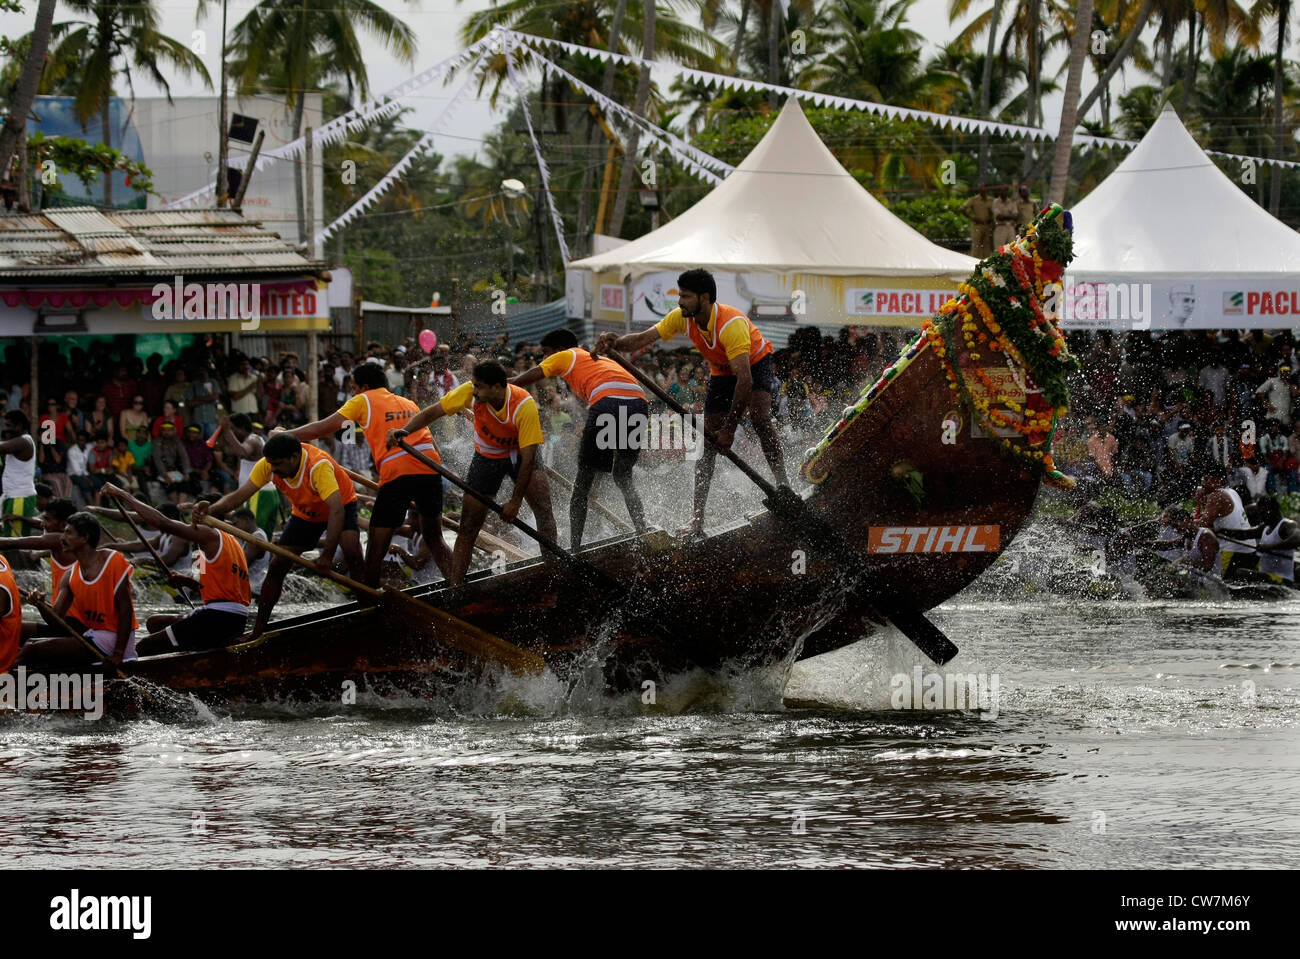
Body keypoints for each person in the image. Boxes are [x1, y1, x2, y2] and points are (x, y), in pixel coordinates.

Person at [595, 269, 788, 537]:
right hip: (721, 370)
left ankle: (784, 486)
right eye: (680, 295)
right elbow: (641, 340)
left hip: (754, 364)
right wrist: (614, 342)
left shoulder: (730, 324)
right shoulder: (681, 318)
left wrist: (729, 431)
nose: (680, 302)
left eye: (685, 296)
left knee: (759, 418)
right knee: (707, 444)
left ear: (704, 297)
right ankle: (697, 520)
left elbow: (744, 382)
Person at [285, 361, 452, 588]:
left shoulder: (362, 400)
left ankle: (370, 601)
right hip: (431, 469)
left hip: (397, 472)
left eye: (353, 387)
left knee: (375, 544)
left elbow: (322, 428)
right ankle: (459, 585)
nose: (352, 392)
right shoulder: (407, 401)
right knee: (434, 537)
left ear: (363, 386)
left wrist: (286, 436)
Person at [392, 360, 556, 587]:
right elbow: (434, 411)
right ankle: (457, 587)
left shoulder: (523, 405)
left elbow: (528, 460)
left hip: (519, 455)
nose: (474, 391)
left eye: (479, 387)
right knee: (468, 525)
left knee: (544, 508)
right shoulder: (469, 392)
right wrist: (406, 430)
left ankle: (553, 572)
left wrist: (516, 501)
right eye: (474, 385)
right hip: (488, 456)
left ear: (498, 387)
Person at [193, 432, 363, 639]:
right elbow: (236, 499)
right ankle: (258, 631)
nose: (273, 470)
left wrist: (327, 556)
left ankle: (368, 609)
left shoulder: (318, 466)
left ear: (294, 457)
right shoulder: (267, 465)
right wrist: (210, 510)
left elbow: (336, 511)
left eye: (278, 464)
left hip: (341, 506)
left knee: (352, 551)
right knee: (277, 565)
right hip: (306, 513)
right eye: (271, 464)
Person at [511, 327, 650, 547]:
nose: (545, 359)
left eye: (546, 353)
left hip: (609, 402)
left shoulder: (566, 355)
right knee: (623, 476)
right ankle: (644, 532)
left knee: (582, 485)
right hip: (638, 404)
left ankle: (575, 548)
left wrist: (488, 385)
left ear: (557, 350)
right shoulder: (598, 359)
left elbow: (520, 380)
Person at [101, 484, 251, 655]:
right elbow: (220, 588)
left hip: (218, 617)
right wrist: (185, 580)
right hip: (234, 618)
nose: (193, 516)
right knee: (154, 623)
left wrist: (122, 494)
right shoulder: (230, 540)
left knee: (143, 647)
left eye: (196, 511)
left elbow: (161, 522)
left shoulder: (210, 534)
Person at [18, 511, 138, 668]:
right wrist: (40, 604)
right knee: (19, 633)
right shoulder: (69, 575)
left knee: (32, 648)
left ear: (85, 537)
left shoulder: (111, 560)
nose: (62, 538)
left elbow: (125, 610)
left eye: (68, 533)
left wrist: (118, 654)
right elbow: (56, 620)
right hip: (91, 635)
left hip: (115, 639)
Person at [212, 413, 280, 536]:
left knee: (255, 536)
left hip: (259, 494)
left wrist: (227, 430)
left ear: (242, 428)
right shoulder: (249, 440)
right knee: (262, 537)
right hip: (256, 494)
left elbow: (242, 452)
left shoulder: (252, 439)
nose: (231, 432)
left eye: (233, 429)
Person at [0, 497, 78, 599]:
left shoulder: (58, 539)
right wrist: (19, 518)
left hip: (70, 610)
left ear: (63, 525)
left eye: (47, 519)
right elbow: (39, 524)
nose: (42, 524)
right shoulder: (75, 536)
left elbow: (12, 543)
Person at [1197, 470, 1257, 577]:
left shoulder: (1216, 496)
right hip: (1250, 548)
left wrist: (1184, 522)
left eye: (1207, 479)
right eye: (1203, 479)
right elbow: (1212, 519)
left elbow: (1202, 524)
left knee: (1220, 586)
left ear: (1219, 481)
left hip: (1232, 550)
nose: (1203, 484)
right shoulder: (1232, 492)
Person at [1239, 496, 1298, 583]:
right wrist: (1221, 531)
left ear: (1273, 510)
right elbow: (1244, 534)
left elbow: (1297, 538)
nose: (1260, 517)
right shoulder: (1265, 527)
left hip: (1282, 579)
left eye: (1262, 513)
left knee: (1241, 573)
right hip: (1267, 577)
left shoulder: (1287, 525)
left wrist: (1270, 547)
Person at [0, 410, 38, 536]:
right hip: (13, 497)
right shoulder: (18, 441)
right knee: (9, 540)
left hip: (19, 498)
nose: (5, 429)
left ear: (19, 426)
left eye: (8, 426)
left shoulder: (23, 442)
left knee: (15, 544)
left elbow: (2, 447)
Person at [960, 186, 994, 259]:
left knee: (987, 246)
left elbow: (995, 212)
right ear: (979, 191)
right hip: (977, 225)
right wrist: (972, 218)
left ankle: (986, 263)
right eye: (981, 190)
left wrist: (991, 217)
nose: (983, 191)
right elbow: (962, 208)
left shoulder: (991, 200)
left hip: (987, 226)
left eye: (984, 190)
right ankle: (973, 262)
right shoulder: (974, 199)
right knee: (976, 245)